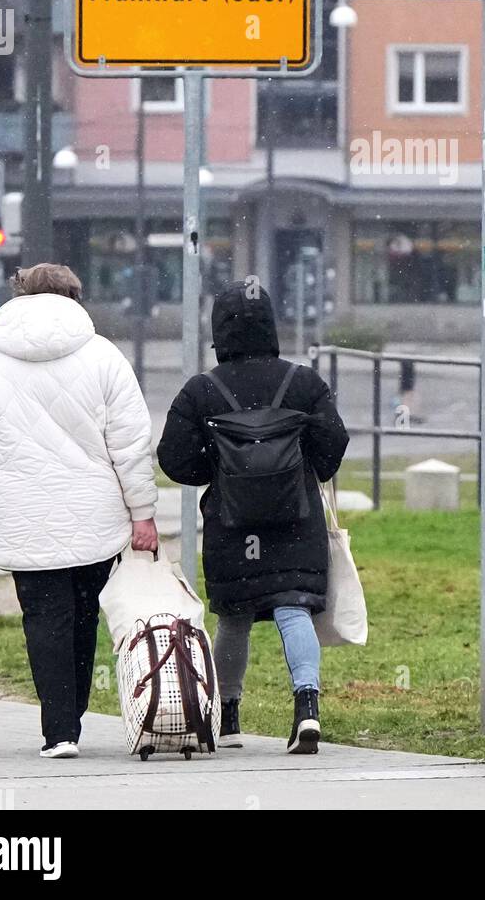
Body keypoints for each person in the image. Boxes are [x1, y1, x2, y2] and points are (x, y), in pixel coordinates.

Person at [0, 264, 157, 760]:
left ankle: (59, 730)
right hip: (95, 511)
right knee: (84, 613)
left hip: (22, 510)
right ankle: (76, 711)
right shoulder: (104, 357)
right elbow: (130, 444)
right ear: (75, 295)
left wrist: (5, 473)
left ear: (20, 294)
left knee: (44, 617)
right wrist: (143, 512)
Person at [158, 282, 348, 755]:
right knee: (293, 605)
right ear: (271, 326)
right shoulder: (303, 383)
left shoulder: (203, 390)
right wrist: (304, 470)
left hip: (231, 521)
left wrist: (220, 472)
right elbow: (334, 442)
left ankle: (229, 719)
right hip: (295, 517)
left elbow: (173, 458)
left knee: (234, 615)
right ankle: (307, 708)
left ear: (218, 332)